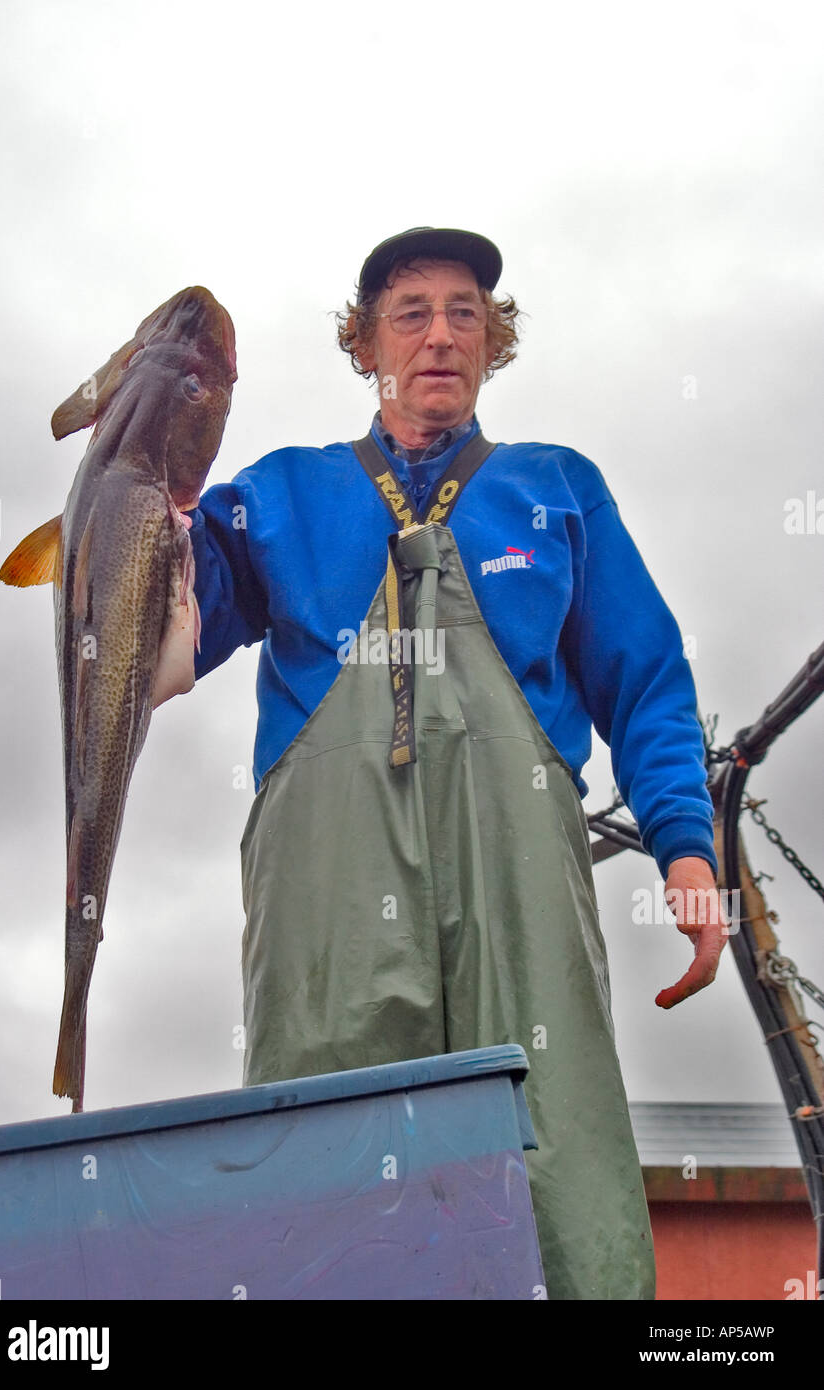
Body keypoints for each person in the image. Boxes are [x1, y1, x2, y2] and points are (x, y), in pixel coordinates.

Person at [184, 227, 726, 1299]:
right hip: (328, 896)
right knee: (326, 1145)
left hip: (514, 875)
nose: (440, 334)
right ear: (363, 345)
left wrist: (684, 845)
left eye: (464, 311)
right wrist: (141, 508)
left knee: (549, 1134)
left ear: (492, 340)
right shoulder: (274, 497)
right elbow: (157, 646)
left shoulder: (555, 490)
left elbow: (646, 677)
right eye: (409, 312)